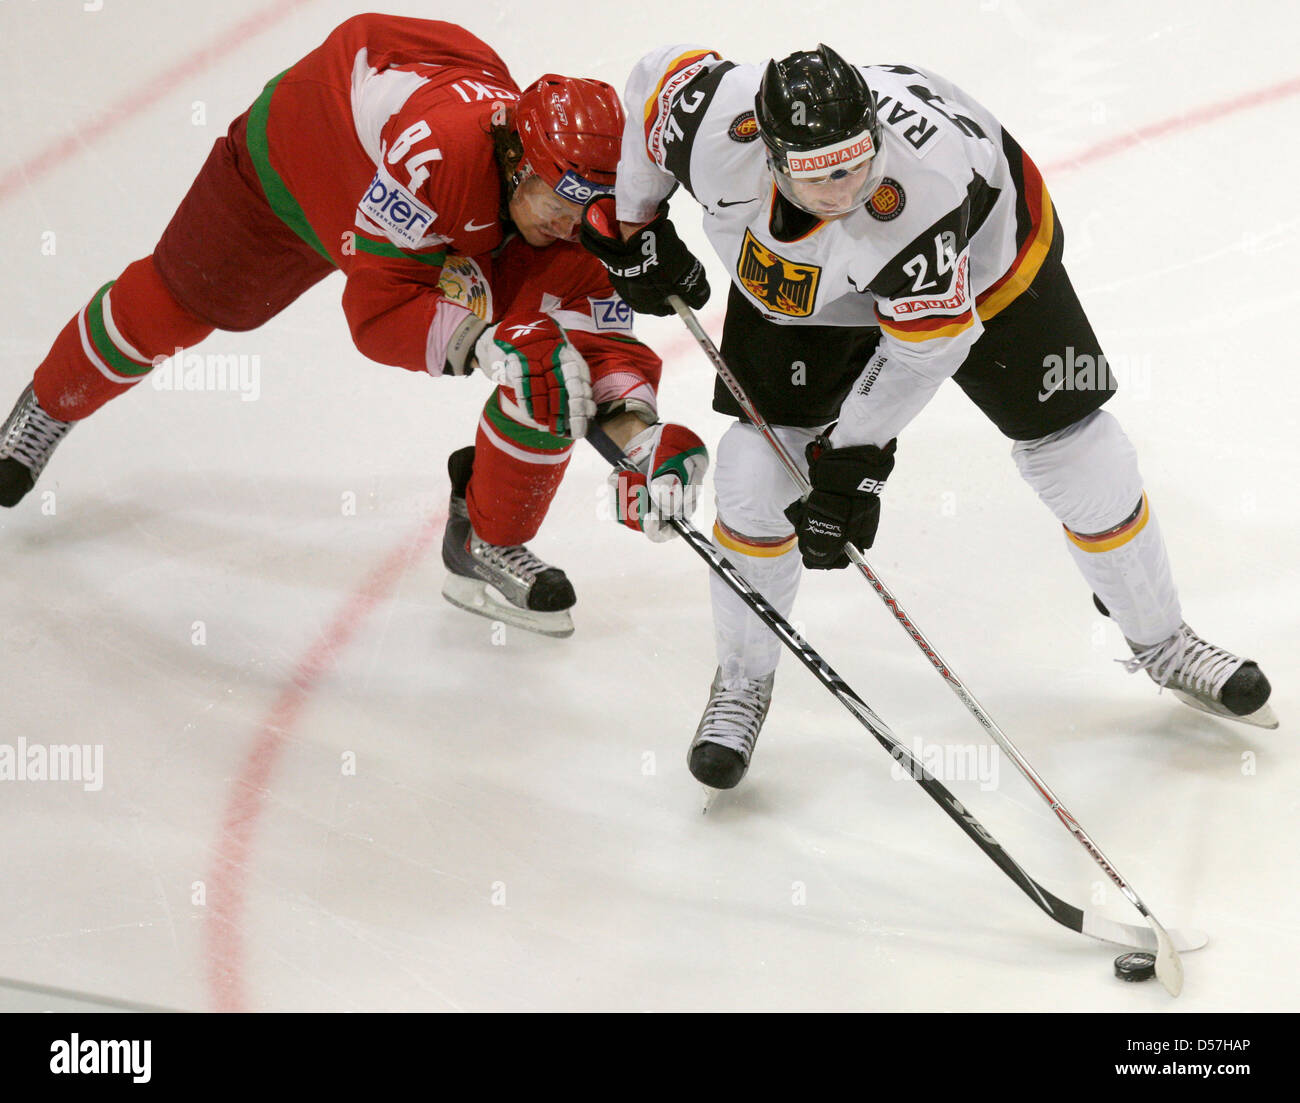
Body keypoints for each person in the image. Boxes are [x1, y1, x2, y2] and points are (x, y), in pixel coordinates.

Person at [581, 43, 1276, 789]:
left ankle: (1164, 641)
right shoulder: (715, 123)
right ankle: (743, 680)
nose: (845, 189)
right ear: (771, 153)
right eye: (820, 175)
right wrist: (635, 222)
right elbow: (653, 79)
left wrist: (851, 462)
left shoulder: (920, 196)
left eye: (856, 164)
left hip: (989, 257)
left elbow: (923, 351)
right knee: (755, 477)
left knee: (1083, 457)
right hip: (809, 293)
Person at [0, 14, 708, 637]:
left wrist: (644, 440)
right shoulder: (437, 158)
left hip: (423, 168)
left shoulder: (579, 210)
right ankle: (49, 405)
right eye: (557, 200)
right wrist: (490, 344)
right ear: (519, 159)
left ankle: (486, 542)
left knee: (553, 366)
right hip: (301, 154)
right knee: (183, 298)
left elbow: (600, 347)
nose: (567, 221)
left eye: (585, 205)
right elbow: (376, 312)